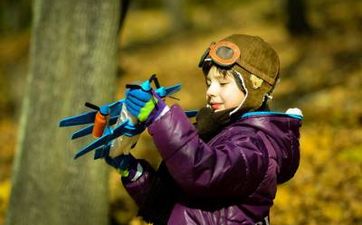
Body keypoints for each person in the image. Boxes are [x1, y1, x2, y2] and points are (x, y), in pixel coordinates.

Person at [105, 34, 303, 225]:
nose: (210, 91)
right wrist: (134, 173)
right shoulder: (220, 132)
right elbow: (178, 211)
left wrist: (160, 117)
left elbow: (201, 170)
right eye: (209, 82)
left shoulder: (255, 147)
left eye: (223, 83)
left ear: (254, 88)